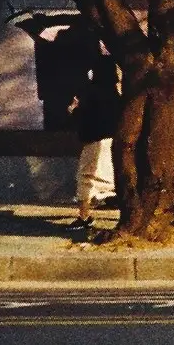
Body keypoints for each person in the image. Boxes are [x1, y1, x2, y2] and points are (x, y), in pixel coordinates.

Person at [67, 31, 122, 228]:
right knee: (113, 177)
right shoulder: (117, 94)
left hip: (95, 139)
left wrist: (74, 110)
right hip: (113, 140)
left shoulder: (92, 93)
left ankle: (84, 217)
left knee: (86, 177)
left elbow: (84, 116)